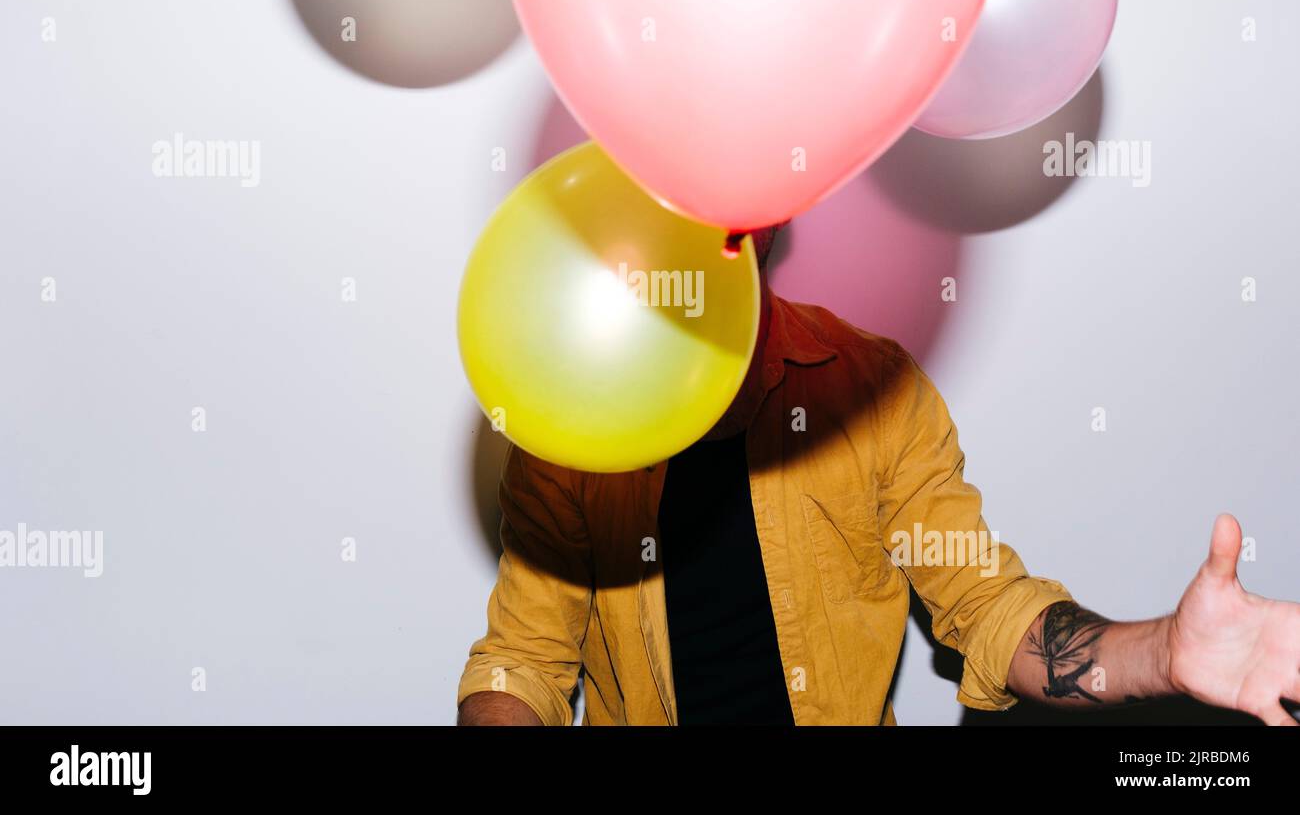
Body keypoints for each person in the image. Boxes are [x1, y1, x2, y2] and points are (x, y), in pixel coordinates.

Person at [457, 227, 1300, 726]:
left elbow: (987, 607)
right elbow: (523, 661)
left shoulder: (870, 390)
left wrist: (1165, 651)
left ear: (764, 218)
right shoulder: (570, 426)